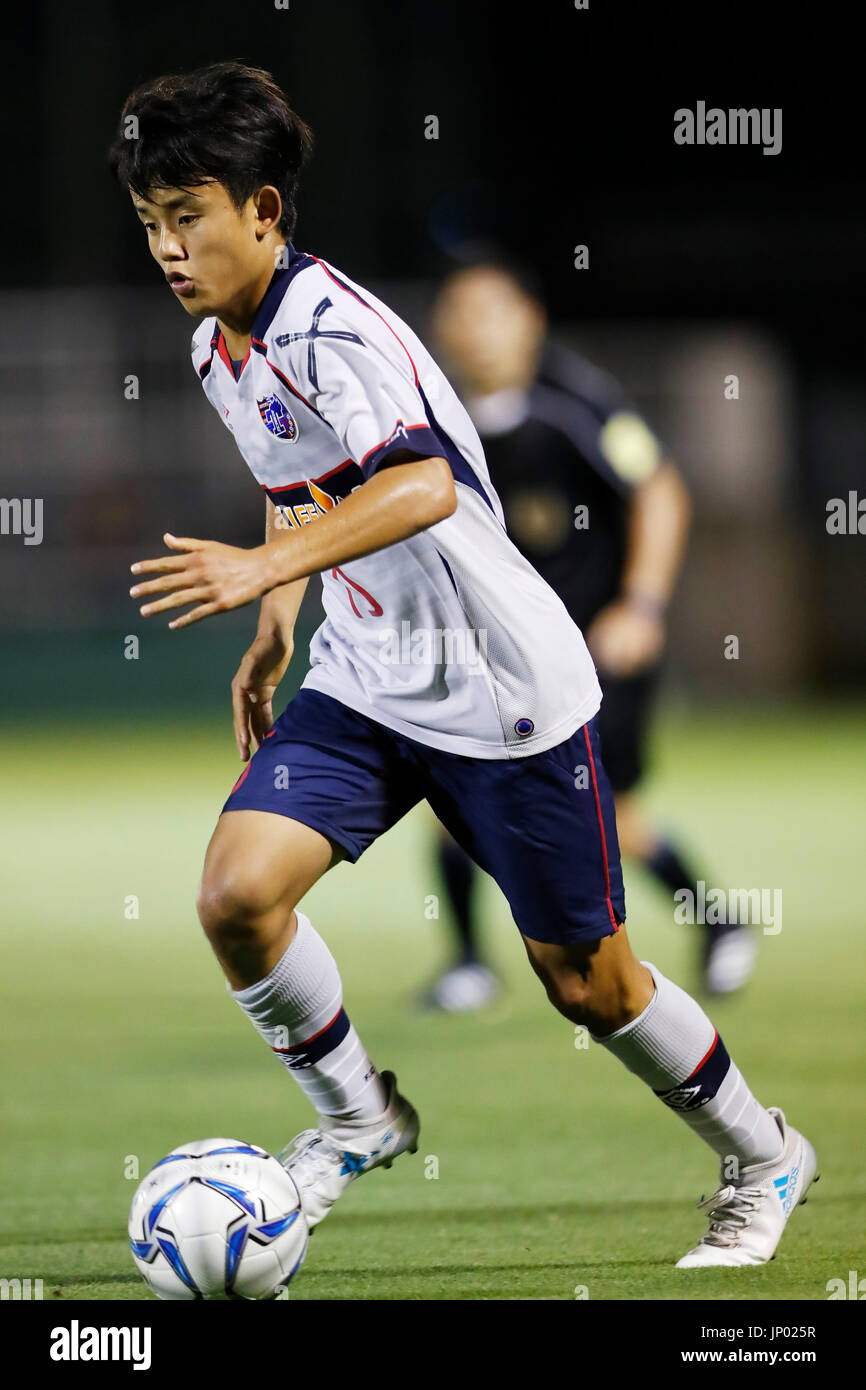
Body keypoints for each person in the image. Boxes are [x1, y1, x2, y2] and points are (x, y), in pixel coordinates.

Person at [109, 61, 817, 1270]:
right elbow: (298, 485)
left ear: (264, 212)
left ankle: (763, 1154)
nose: (168, 248)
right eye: (148, 222)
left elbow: (422, 483)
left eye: (188, 216)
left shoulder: (336, 331)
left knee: (588, 984)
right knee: (236, 896)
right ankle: (358, 1118)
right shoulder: (216, 351)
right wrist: (275, 621)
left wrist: (255, 566)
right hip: (365, 679)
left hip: (497, 689)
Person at [418, 261, 756, 1011]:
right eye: (461, 313)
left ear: (530, 320)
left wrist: (642, 606)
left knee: (608, 812)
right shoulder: (438, 412)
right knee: (448, 797)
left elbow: (660, 489)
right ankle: (470, 964)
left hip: (593, 650)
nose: (476, 328)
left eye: (493, 310)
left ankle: (720, 923)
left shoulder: (577, 401)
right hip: (497, 650)